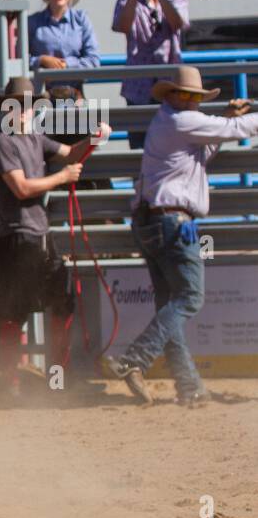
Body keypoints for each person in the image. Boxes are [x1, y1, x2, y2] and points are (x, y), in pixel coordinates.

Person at [107, 67, 257, 407]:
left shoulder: (171, 121)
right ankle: (136, 359)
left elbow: (204, 151)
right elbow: (236, 129)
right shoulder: (180, 121)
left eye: (195, 97)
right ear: (173, 96)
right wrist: (230, 120)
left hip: (152, 221)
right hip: (172, 223)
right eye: (187, 95)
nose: (192, 101)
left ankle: (189, 386)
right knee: (190, 297)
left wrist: (225, 120)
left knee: (170, 303)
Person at [0, 79, 108, 395]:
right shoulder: (3, 142)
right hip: (19, 237)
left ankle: (53, 380)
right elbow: (22, 188)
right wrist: (61, 178)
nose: (26, 110)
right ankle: (10, 383)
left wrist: (94, 139)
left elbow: (71, 154)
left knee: (62, 302)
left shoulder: (35, 139)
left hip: (37, 235)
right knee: (17, 310)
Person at [112, 0, 190, 150]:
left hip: (171, 89)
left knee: (173, 149)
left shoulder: (177, 0)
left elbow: (178, 23)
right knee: (140, 151)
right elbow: (122, 26)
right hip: (138, 91)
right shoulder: (126, 1)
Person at [27, 0, 100, 101]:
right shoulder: (33, 22)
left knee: (78, 122)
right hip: (42, 96)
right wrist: (41, 60)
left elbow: (93, 60)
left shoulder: (81, 20)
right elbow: (20, 59)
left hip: (74, 94)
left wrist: (66, 64)